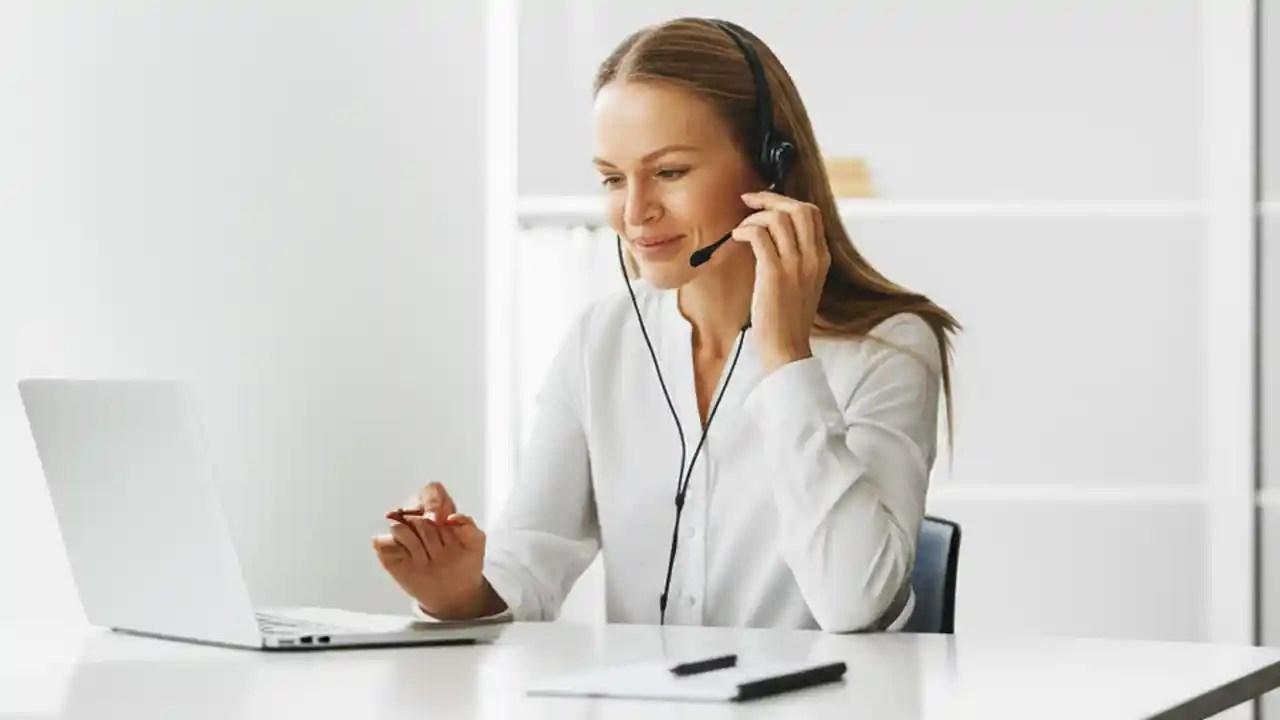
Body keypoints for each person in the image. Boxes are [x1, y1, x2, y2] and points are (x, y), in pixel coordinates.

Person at [371, 17, 959, 633]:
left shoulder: (887, 348)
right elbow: (530, 561)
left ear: (771, 165)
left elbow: (854, 604)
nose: (633, 212)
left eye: (670, 172)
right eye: (612, 178)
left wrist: (785, 356)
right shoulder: (601, 341)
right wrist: (456, 590)